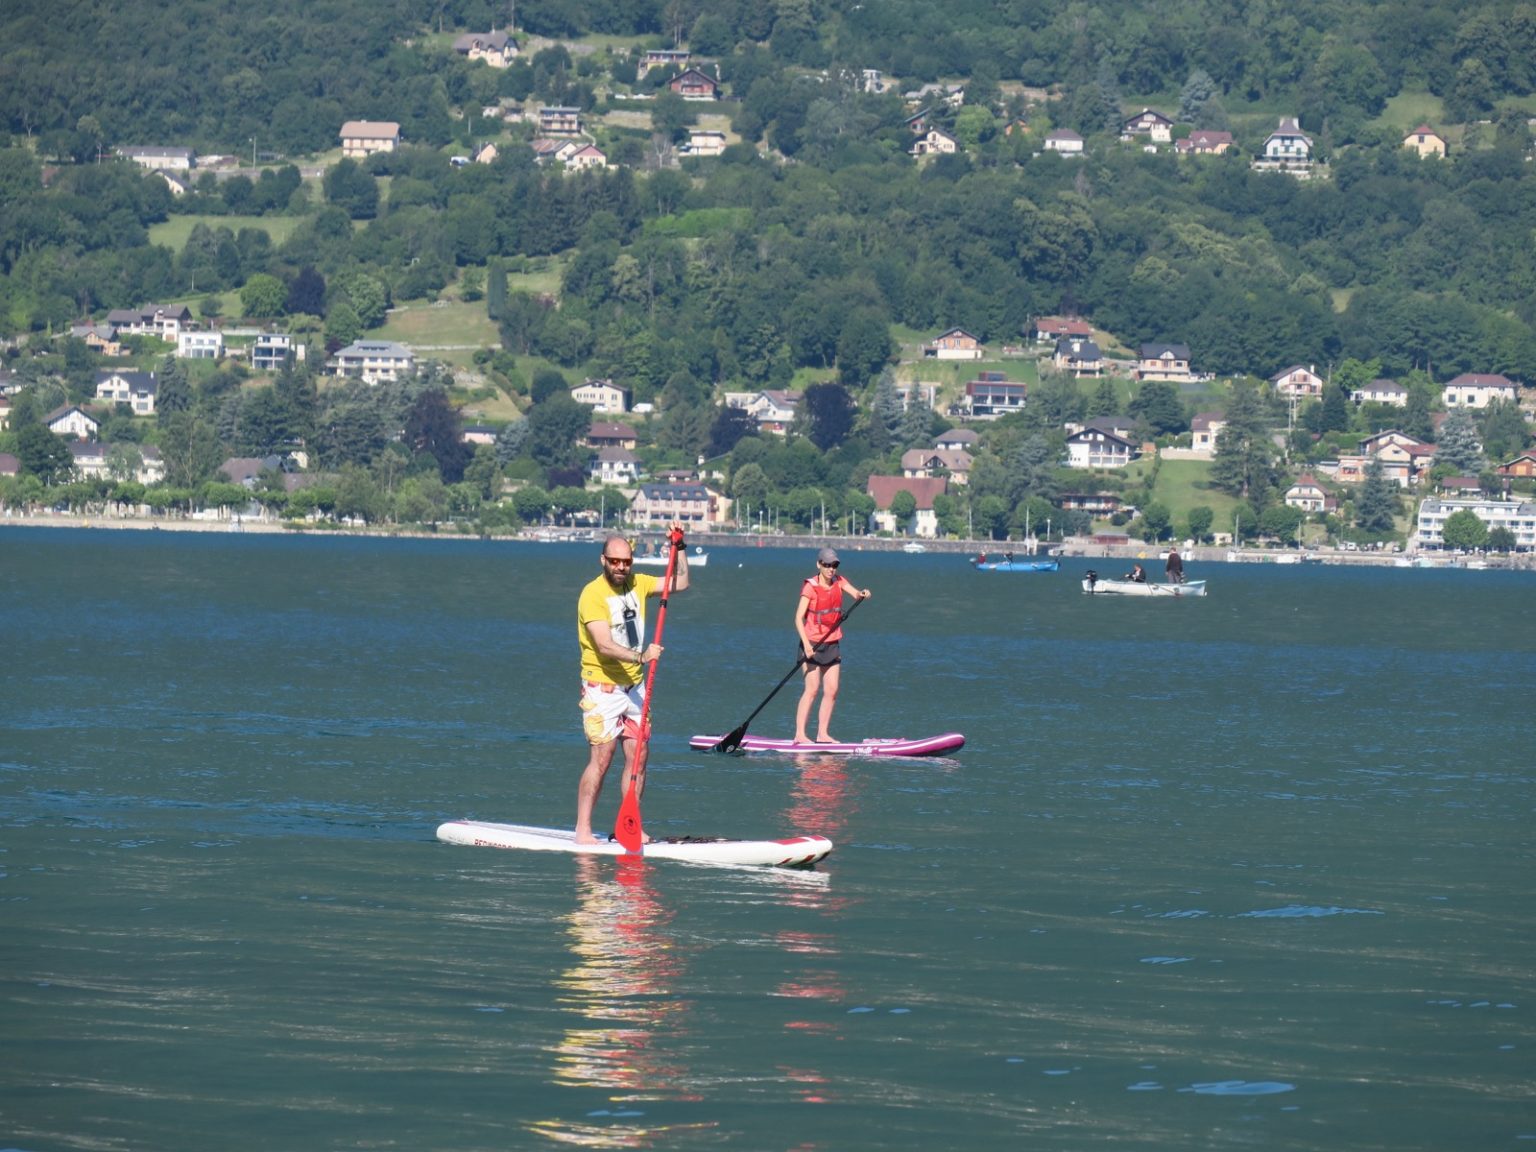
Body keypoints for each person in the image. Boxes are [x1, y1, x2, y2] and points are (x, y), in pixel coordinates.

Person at [574, 525, 689, 844]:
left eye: (626, 561)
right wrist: (641, 657)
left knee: (638, 756)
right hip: (602, 687)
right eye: (615, 561)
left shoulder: (639, 583)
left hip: (635, 689)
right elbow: (604, 645)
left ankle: (630, 823)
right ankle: (583, 829)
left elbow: (680, 581)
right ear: (603, 561)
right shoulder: (593, 594)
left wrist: (679, 547)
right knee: (602, 757)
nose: (621, 567)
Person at [794, 547, 871, 744]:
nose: (831, 569)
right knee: (812, 690)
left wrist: (863, 594)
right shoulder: (810, 587)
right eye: (827, 565)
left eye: (834, 565)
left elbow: (856, 594)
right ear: (819, 565)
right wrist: (806, 645)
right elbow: (798, 618)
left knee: (832, 690)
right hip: (811, 643)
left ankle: (822, 734)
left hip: (832, 642)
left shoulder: (839, 581)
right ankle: (800, 735)